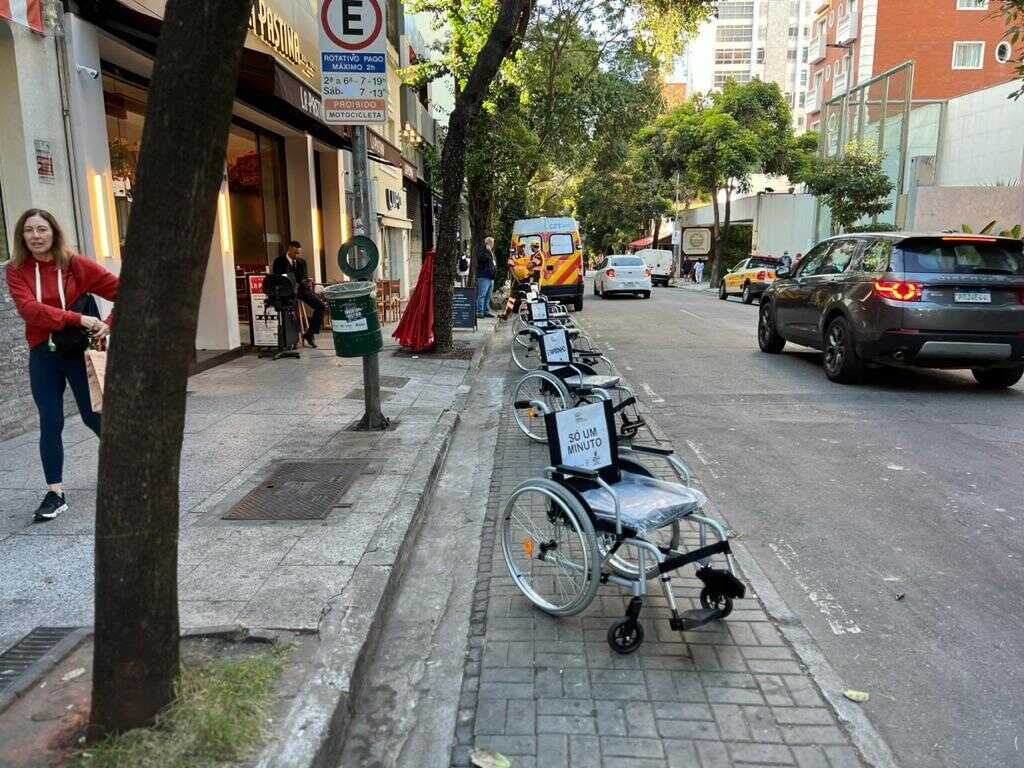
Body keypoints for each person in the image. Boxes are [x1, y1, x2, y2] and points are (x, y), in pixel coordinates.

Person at [5, 209, 119, 522]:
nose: (35, 236)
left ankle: (127, 467)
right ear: (22, 236)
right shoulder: (16, 270)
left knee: (94, 416)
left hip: (79, 352)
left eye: (42, 229)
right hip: (43, 354)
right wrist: (78, 318)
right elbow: (30, 311)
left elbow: (125, 291)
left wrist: (109, 323)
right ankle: (55, 493)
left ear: (54, 233)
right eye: (29, 230)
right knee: (50, 420)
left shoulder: (75, 266)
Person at [273, 241, 325, 347]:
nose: (297, 255)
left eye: (299, 253)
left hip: (302, 290)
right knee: (291, 310)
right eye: (295, 253)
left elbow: (303, 277)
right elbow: (276, 278)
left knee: (320, 306)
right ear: (290, 249)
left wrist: (306, 281)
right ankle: (292, 338)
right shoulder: (279, 261)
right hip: (287, 292)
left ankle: (309, 334)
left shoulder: (301, 262)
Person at [476, 236, 496, 318]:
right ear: (487, 243)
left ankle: (486, 310)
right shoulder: (483, 250)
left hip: (490, 277)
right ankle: (480, 311)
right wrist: (486, 249)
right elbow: (480, 258)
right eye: (491, 243)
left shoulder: (491, 251)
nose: (493, 244)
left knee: (488, 295)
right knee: (482, 295)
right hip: (484, 276)